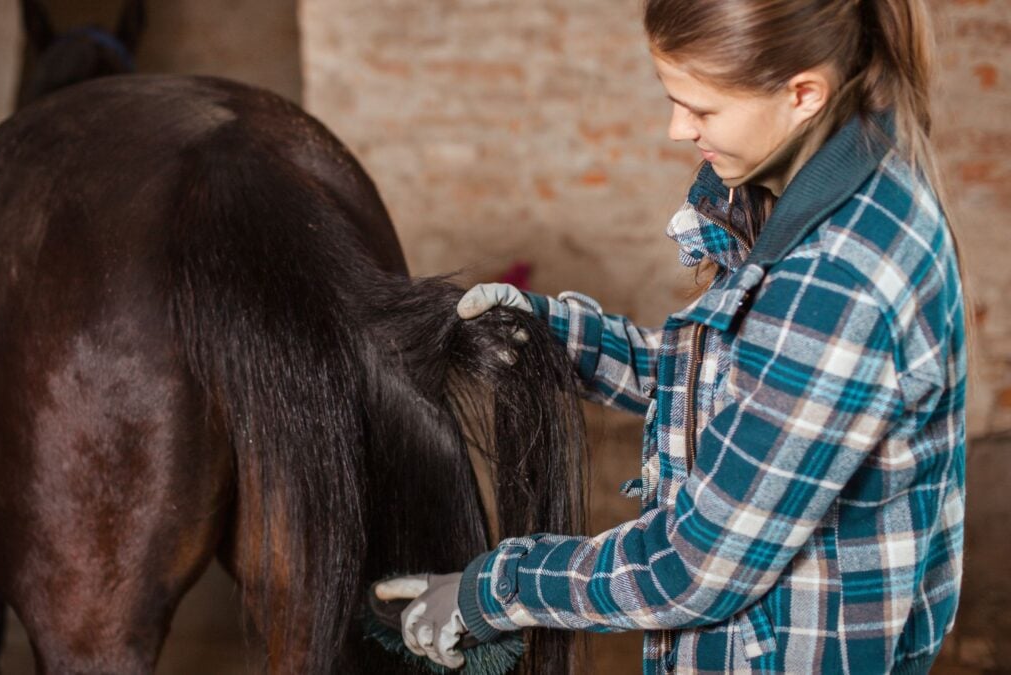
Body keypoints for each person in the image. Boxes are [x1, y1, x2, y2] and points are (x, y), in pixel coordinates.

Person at [375, 0, 967, 673]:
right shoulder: (834, 190)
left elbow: (692, 568)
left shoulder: (837, 280)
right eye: (674, 100)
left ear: (804, 93)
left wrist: (495, 588)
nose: (677, 129)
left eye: (702, 109)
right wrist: (559, 336)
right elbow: (735, 382)